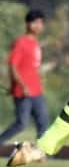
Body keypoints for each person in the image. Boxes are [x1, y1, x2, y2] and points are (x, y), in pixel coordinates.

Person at [2, 10, 48, 147]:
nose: (39, 26)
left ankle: (42, 151)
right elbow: (13, 66)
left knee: (43, 121)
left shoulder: (35, 43)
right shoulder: (21, 42)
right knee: (21, 123)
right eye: (36, 23)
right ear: (28, 24)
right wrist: (20, 86)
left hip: (36, 90)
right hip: (23, 91)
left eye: (41, 23)